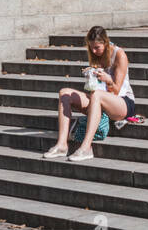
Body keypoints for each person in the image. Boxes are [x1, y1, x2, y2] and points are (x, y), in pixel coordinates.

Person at [43, 25, 135, 161]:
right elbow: (96, 89)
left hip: (123, 103)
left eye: (97, 47)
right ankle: (62, 145)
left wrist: (108, 80)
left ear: (105, 42)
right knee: (65, 93)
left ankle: (86, 147)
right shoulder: (95, 54)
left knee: (97, 95)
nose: (93, 50)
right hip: (100, 100)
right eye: (91, 47)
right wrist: (91, 76)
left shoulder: (119, 54)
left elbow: (116, 90)